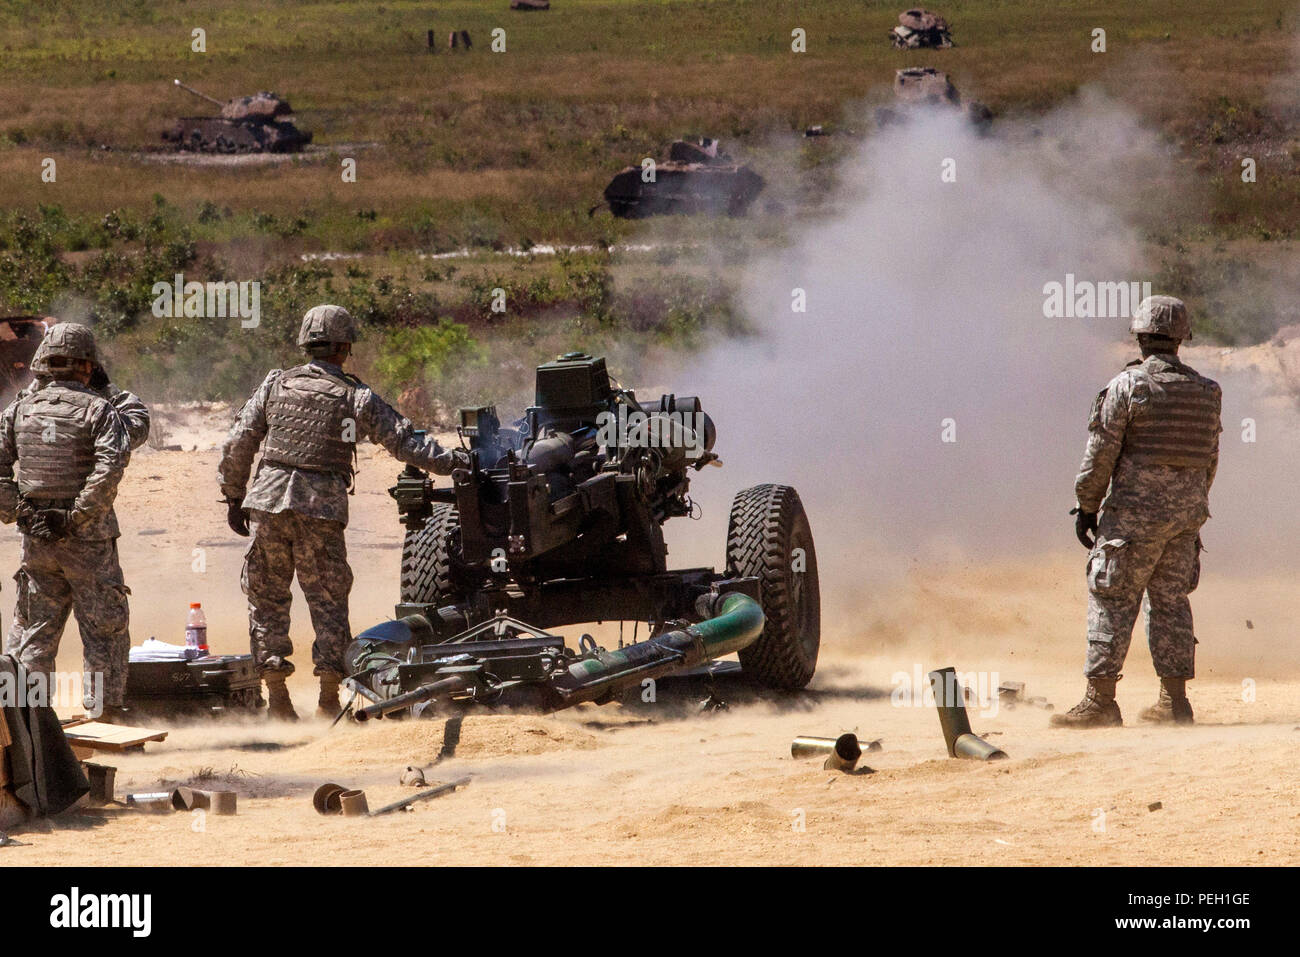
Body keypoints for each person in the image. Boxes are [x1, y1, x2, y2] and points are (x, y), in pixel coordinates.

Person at [217, 305, 462, 720]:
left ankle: (278, 700)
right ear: (346, 347)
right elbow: (406, 443)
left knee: (267, 600)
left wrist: (233, 494)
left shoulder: (276, 384)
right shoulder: (355, 395)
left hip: (267, 504)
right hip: (320, 510)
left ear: (304, 343)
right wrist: (458, 463)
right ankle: (328, 701)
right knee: (328, 602)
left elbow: (238, 442)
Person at [1053, 296, 1222, 728]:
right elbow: (1210, 460)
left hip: (1132, 519)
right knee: (1171, 602)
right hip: (1185, 519)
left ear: (1142, 336)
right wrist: (1188, 507)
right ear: (1182, 337)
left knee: (1112, 599)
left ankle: (1100, 702)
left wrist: (1087, 507)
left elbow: (1100, 455)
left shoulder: (1127, 387)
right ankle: (1174, 702)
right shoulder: (1207, 392)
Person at [0, 323, 133, 721]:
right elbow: (110, 468)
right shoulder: (99, 409)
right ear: (87, 366)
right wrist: (76, 517)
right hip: (88, 540)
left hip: (37, 540)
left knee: (36, 633)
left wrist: (23, 513)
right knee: (103, 631)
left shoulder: (19, 409)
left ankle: (31, 724)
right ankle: (102, 718)